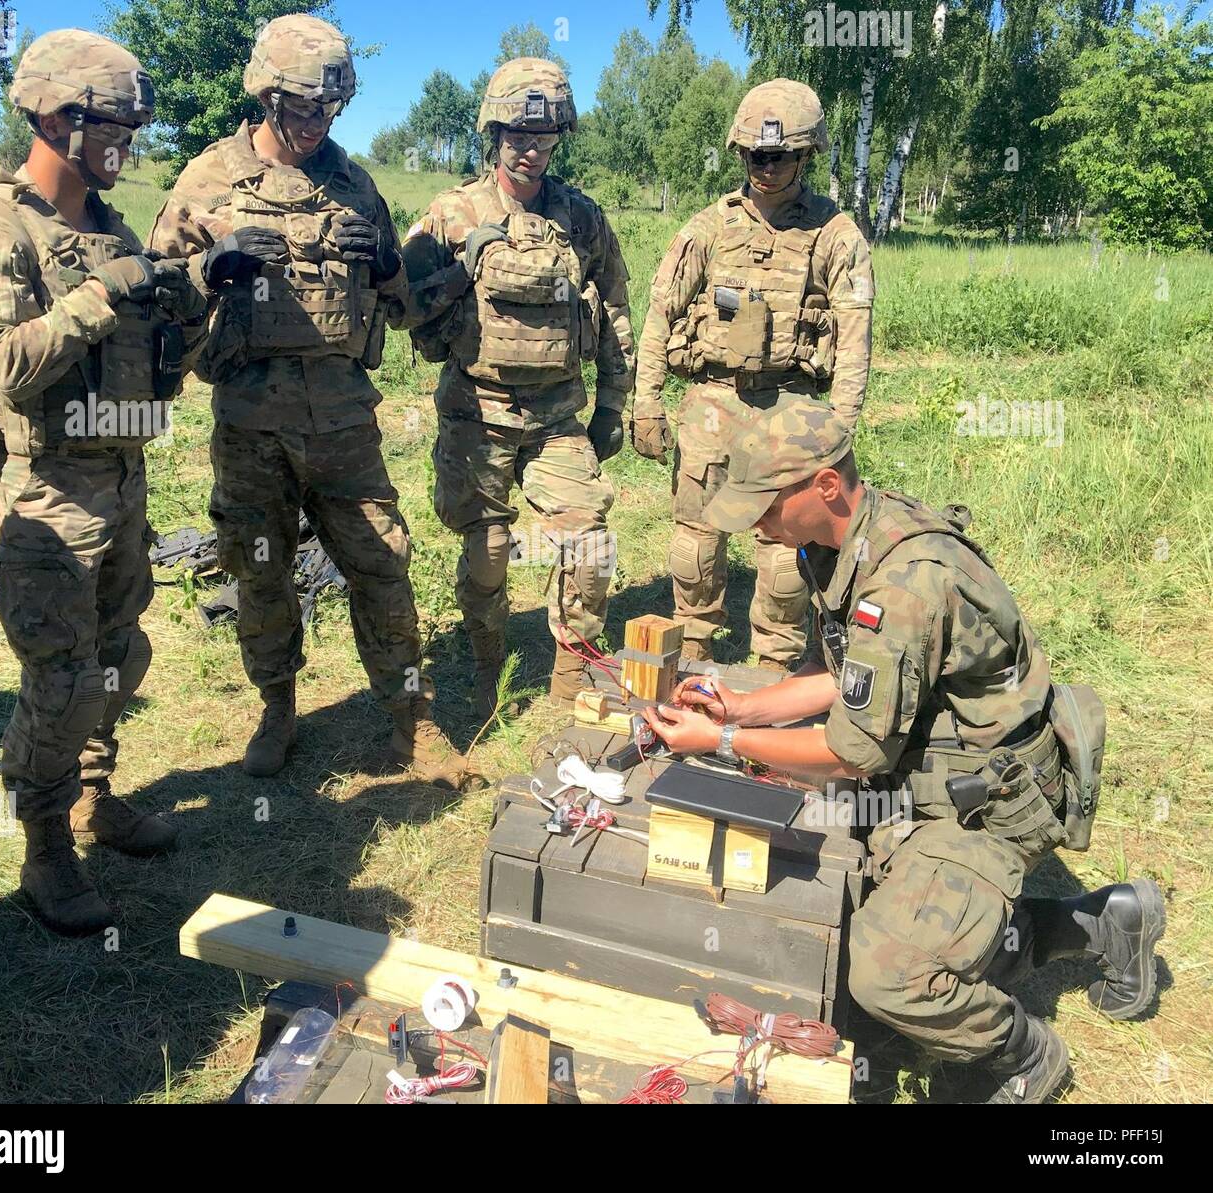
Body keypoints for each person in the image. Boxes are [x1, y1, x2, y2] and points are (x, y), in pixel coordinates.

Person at [645, 399, 1165, 1103]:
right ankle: (1106, 920)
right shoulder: (848, 541)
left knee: (884, 970)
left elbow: (854, 748)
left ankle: (1025, 1055)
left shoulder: (905, 580)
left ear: (826, 486)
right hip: (926, 768)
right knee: (847, 914)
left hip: (991, 805)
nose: (759, 525)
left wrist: (724, 741)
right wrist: (742, 705)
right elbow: (844, 676)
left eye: (767, 506)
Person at [148, 14, 464, 782]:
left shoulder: (356, 183)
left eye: (329, 109)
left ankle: (411, 721)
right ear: (264, 94)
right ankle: (278, 706)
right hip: (251, 423)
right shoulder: (208, 180)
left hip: (344, 422)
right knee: (259, 570)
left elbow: (408, 308)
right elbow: (156, 306)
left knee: (382, 564)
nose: (315, 124)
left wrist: (388, 264)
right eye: (299, 108)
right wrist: (209, 270)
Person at [0, 30, 206, 934]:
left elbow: (151, 375)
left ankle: (93, 796)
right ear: (58, 118)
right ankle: (44, 850)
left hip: (120, 474)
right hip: (43, 491)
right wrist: (101, 298)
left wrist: (188, 307)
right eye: (113, 125)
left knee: (116, 657)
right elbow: (5, 367)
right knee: (59, 681)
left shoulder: (108, 225)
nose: (125, 142)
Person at [401, 58, 636, 714]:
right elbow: (402, 305)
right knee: (488, 550)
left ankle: (571, 676)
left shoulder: (581, 218)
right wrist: (456, 272)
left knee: (588, 543)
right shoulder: (453, 211)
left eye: (546, 138)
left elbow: (613, 307)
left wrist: (615, 400)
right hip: (479, 411)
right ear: (494, 135)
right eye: (518, 138)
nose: (532, 151)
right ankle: (484, 662)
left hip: (558, 415)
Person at [633, 80, 874, 669]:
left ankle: (774, 665)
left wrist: (839, 428)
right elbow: (660, 312)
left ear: (807, 154)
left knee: (783, 550)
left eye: (782, 156)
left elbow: (855, 335)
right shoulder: (708, 227)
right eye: (756, 156)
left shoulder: (835, 234)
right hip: (712, 403)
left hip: (791, 407)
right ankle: (691, 650)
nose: (767, 168)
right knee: (697, 539)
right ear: (740, 153)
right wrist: (646, 402)